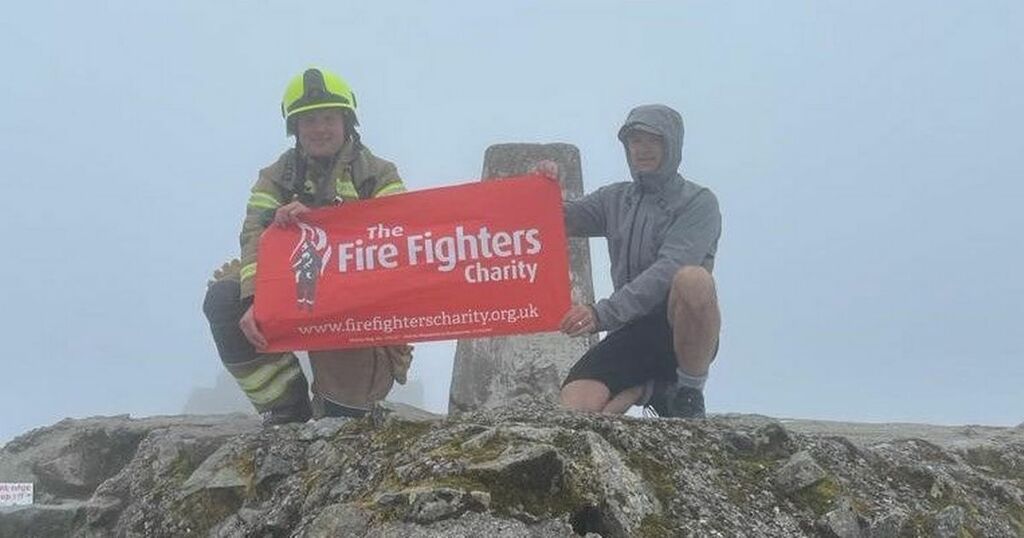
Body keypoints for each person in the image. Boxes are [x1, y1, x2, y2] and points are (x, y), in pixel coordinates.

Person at [203, 67, 413, 425]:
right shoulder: (275, 177)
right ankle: (286, 407)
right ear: (295, 130)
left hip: (361, 311)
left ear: (347, 122)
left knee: (342, 422)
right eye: (308, 121)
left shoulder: (379, 174)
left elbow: (402, 235)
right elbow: (253, 235)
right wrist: (255, 299)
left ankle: (340, 405)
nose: (319, 129)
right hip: (292, 288)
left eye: (329, 118)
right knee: (224, 298)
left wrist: (321, 220)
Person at [538, 104, 722, 418]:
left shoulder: (698, 202)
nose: (643, 149)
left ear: (672, 144)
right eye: (635, 140)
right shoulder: (614, 199)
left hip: (679, 329)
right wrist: (543, 188)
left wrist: (600, 314)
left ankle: (687, 392)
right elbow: (555, 221)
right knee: (576, 410)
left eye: (654, 140)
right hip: (631, 330)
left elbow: (667, 271)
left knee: (693, 279)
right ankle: (650, 388)